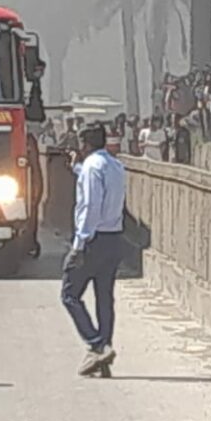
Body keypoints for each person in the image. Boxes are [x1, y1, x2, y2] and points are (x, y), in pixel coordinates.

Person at [62, 124, 127, 378]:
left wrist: (80, 243)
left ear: (85, 145)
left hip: (93, 239)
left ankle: (96, 343)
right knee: (104, 297)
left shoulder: (91, 167)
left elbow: (90, 205)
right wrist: (75, 168)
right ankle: (105, 351)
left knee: (70, 294)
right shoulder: (115, 166)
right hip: (114, 237)